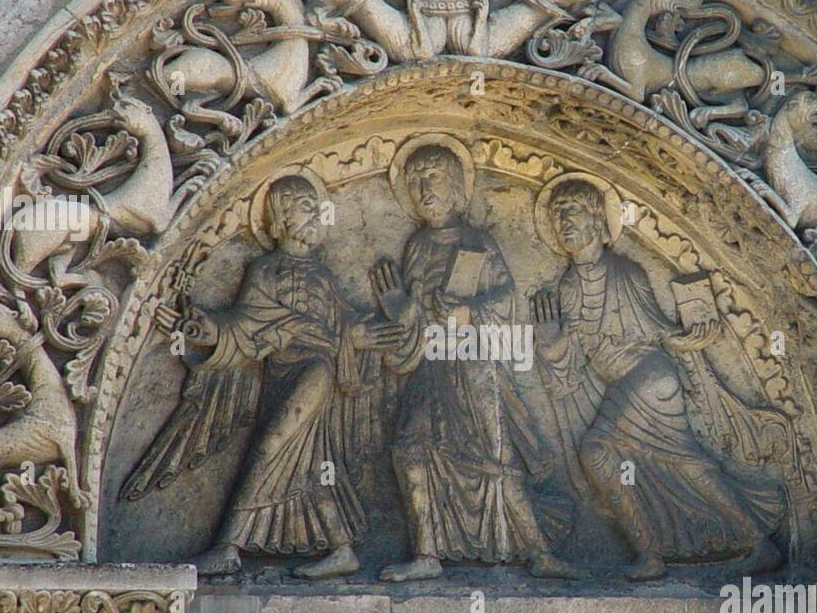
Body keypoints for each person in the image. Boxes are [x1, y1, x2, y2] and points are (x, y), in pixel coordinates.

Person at [122, 171, 403, 578]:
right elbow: (243, 327)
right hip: (277, 375)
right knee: (309, 462)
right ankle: (342, 548)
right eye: (307, 208)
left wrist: (364, 335)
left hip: (316, 370)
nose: (317, 215)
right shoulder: (265, 271)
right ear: (281, 218)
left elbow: (339, 325)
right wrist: (202, 328)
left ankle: (228, 547)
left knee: (270, 447)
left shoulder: (323, 276)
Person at [532, 175, 785, 580]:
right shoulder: (567, 284)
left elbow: (656, 330)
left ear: (598, 220)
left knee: (598, 450)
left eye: (572, 211)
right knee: (681, 461)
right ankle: (750, 542)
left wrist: (691, 340)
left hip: (649, 377)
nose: (563, 220)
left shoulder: (625, 271)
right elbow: (571, 362)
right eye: (556, 213)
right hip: (625, 384)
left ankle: (654, 554)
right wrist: (548, 344)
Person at [371, 134, 579, 582]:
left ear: (460, 188)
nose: (426, 190)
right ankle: (427, 553)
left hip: (475, 361)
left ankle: (538, 552)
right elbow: (414, 324)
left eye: (436, 179)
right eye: (417, 182)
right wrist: (401, 309)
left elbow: (507, 298)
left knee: (496, 456)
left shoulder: (477, 241)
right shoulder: (417, 246)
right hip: (432, 365)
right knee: (411, 449)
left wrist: (468, 310)